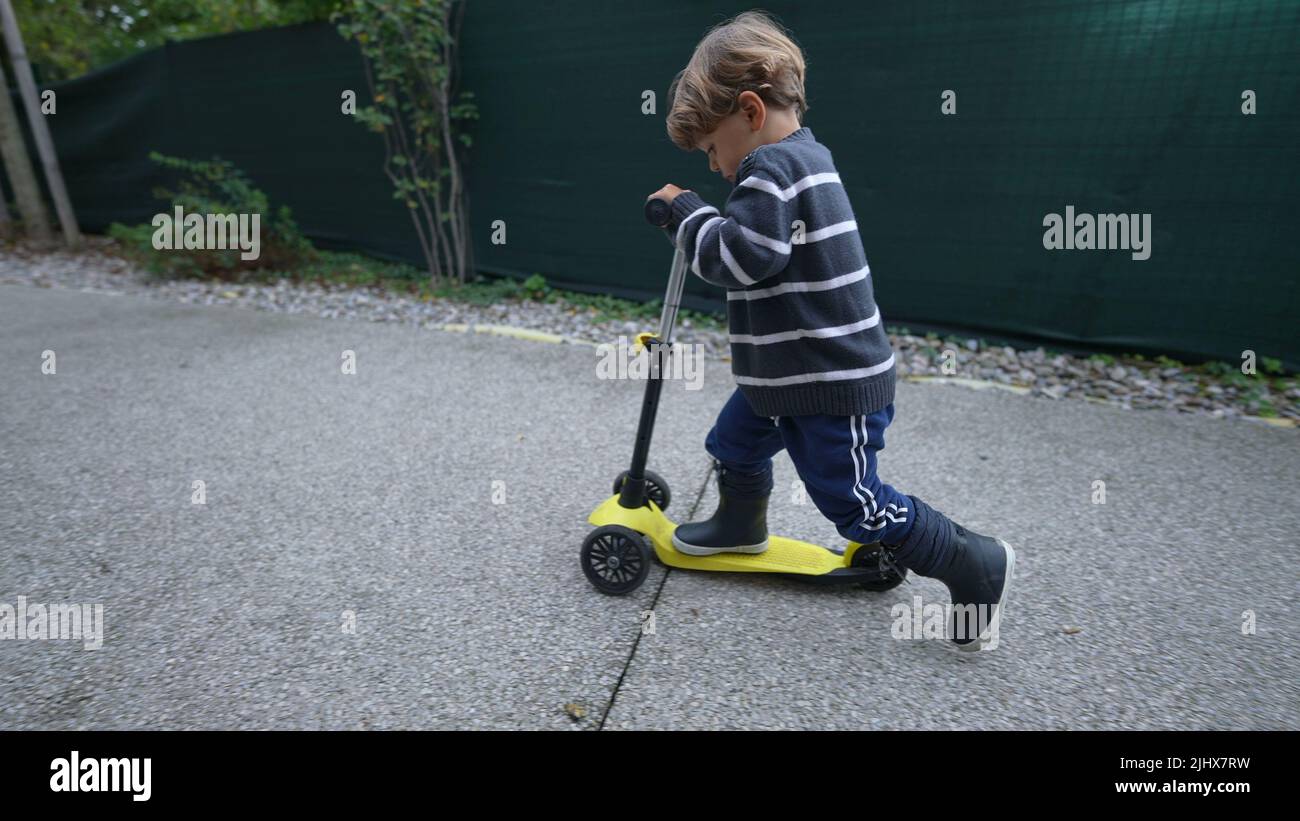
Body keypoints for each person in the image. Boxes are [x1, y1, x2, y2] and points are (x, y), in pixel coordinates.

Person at [648, 11, 1014, 651]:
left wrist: (686, 214)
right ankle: (741, 523)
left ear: (751, 111)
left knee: (854, 503)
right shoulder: (805, 157)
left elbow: (744, 259)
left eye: (712, 147)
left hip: (829, 382)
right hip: (790, 375)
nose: (714, 166)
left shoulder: (770, 171)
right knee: (733, 442)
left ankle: (973, 562)